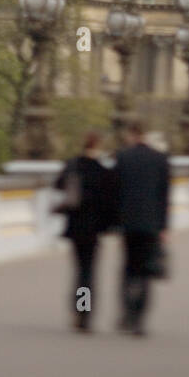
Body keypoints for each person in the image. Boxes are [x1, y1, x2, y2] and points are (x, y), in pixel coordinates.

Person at [112, 119, 170, 336]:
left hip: (128, 224)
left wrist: (115, 223)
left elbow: (115, 193)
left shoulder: (122, 157)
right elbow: (164, 197)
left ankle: (126, 313)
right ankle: (139, 320)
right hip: (151, 224)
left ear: (131, 134)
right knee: (146, 272)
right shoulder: (160, 159)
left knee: (128, 269)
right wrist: (164, 227)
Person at [53, 131, 113, 333]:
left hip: (75, 227)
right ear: (98, 147)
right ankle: (85, 315)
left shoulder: (72, 165)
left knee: (79, 271)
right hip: (94, 229)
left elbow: (58, 184)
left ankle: (79, 312)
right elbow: (109, 202)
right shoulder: (102, 170)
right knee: (88, 272)